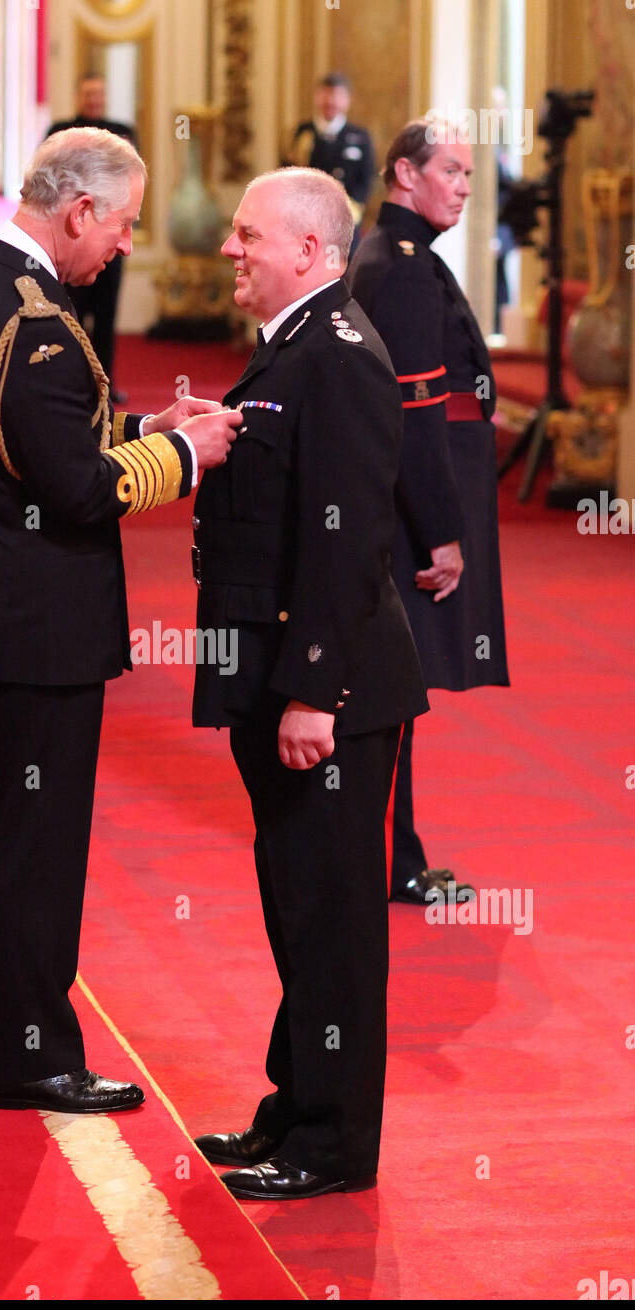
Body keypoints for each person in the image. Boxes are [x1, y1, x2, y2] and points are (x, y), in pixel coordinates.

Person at [0, 126, 241, 1113]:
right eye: (124, 224)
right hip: (37, 627)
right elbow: (74, 487)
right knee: (36, 848)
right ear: (80, 212)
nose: (128, 245)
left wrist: (151, 427)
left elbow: (51, 430)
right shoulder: (41, 323)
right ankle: (32, 1057)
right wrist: (190, 460)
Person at [190, 168, 428, 1199]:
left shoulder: (337, 357)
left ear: (311, 249)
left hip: (327, 693)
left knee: (332, 917)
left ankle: (334, 1143)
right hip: (280, 676)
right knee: (299, 906)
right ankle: (295, 1108)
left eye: (249, 235)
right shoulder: (292, 343)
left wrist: (309, 695)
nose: (231, 249)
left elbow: (348, 544)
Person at [347, 120, 510, 906]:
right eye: (450, 170)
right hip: (412, 516)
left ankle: (396, 854)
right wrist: (442, 532)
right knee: (394, 693)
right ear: (403, 174)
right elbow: (413, 414)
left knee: (395, 693)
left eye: (469, 174)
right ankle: (391, 861)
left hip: (404, 504)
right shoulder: (403, 267)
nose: (464, 187)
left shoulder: (395, 256)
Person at [46, 75, 135, 400]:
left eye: (99, 93)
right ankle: (73, 383)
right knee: (71, 315)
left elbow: (127, 180)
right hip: (73, 239)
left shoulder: (121, 133)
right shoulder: (60, 132)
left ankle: (105, 386)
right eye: (88, 93)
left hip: (110, 236)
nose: (94, 99)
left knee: (107, 317)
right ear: (78, 96)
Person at [286, 73, 376, 255]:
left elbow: (365, 179)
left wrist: (350, 211)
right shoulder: (302, 133)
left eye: (337, 96)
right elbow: (288, 174)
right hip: (307, 219)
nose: (331, 102)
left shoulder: (359, 137)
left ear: (347, 100)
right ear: (317, 97)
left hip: (344, 219)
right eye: (326, 95)